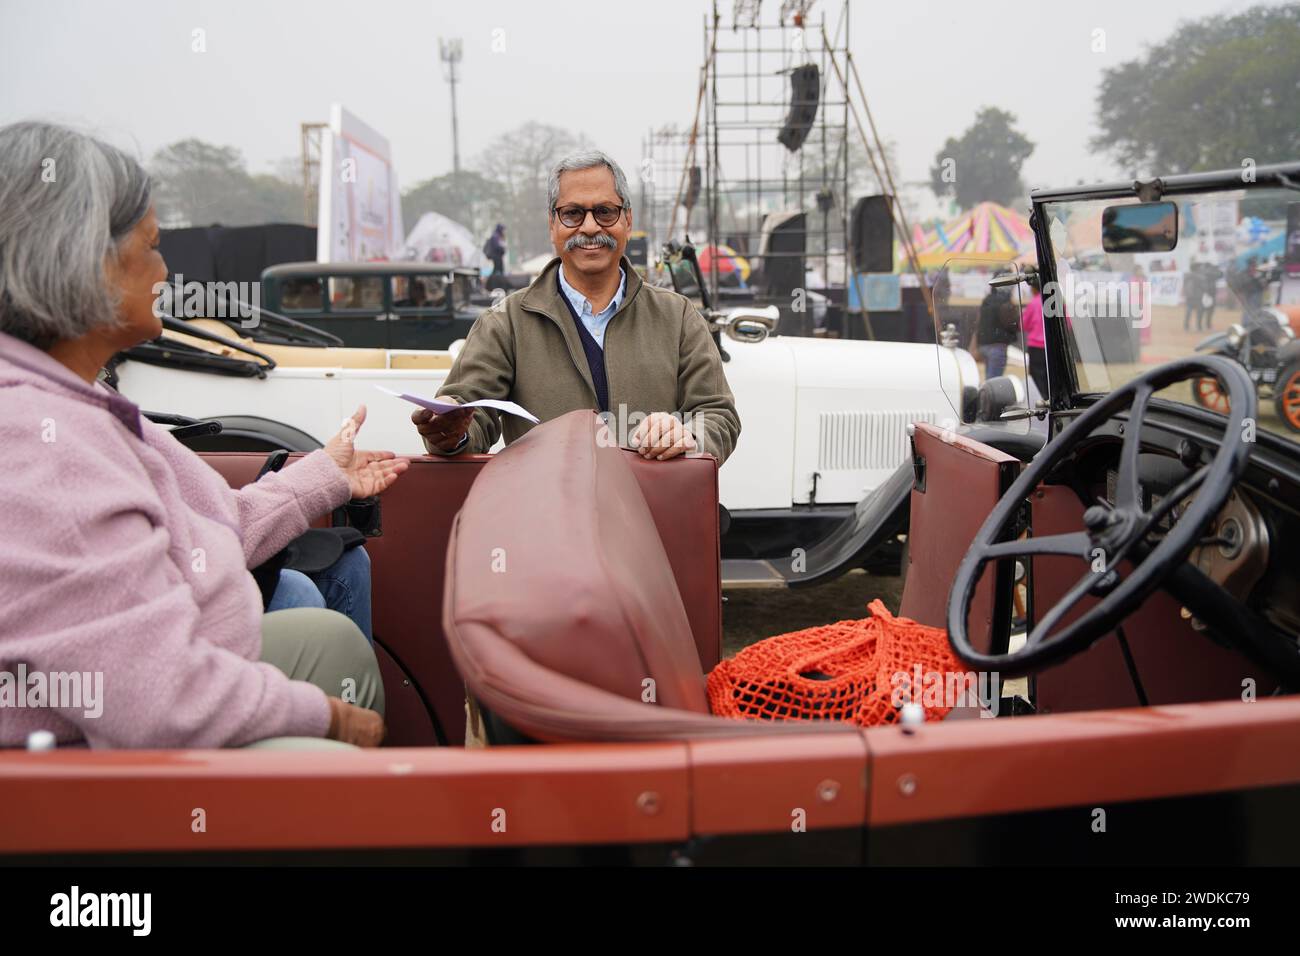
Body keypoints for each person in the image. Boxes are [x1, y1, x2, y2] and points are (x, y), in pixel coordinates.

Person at [0, 121, 409, 750]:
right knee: (332, 742)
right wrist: (324, 718)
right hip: (103, 767)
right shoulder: (46, 447)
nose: (167, 270)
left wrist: (327, 472)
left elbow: (220, 524)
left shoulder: (84, 402)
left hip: (176, 677)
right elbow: (156, 701)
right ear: (84, 262)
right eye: (153, 247)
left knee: (331, 640)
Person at [413, 149, 740, 465]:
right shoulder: (505, 323)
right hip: (548, 515)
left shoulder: (677, 317)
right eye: (572, 214)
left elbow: (718, 416)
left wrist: (688, 436)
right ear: (552, 225)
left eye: (604, 212)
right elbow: (469, 416)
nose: (589, 228)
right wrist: (449, 431)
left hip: (651, 512)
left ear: (627, 219)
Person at [975, 272, 1018, 378]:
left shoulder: (987, 300)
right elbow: (1011, 324)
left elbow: (979, 322)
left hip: (984, 344)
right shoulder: (1006, 304)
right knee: (994, 383)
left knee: (989, 379)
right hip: (998, 347)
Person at [1021, 273, 1048, 398]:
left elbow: (1024, 325)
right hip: (1053, 347)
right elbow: (1067, 324)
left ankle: (1041, 402)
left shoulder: (1033, 303)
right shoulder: (1057, 302)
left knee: (1037, 377)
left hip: (1036, 347)